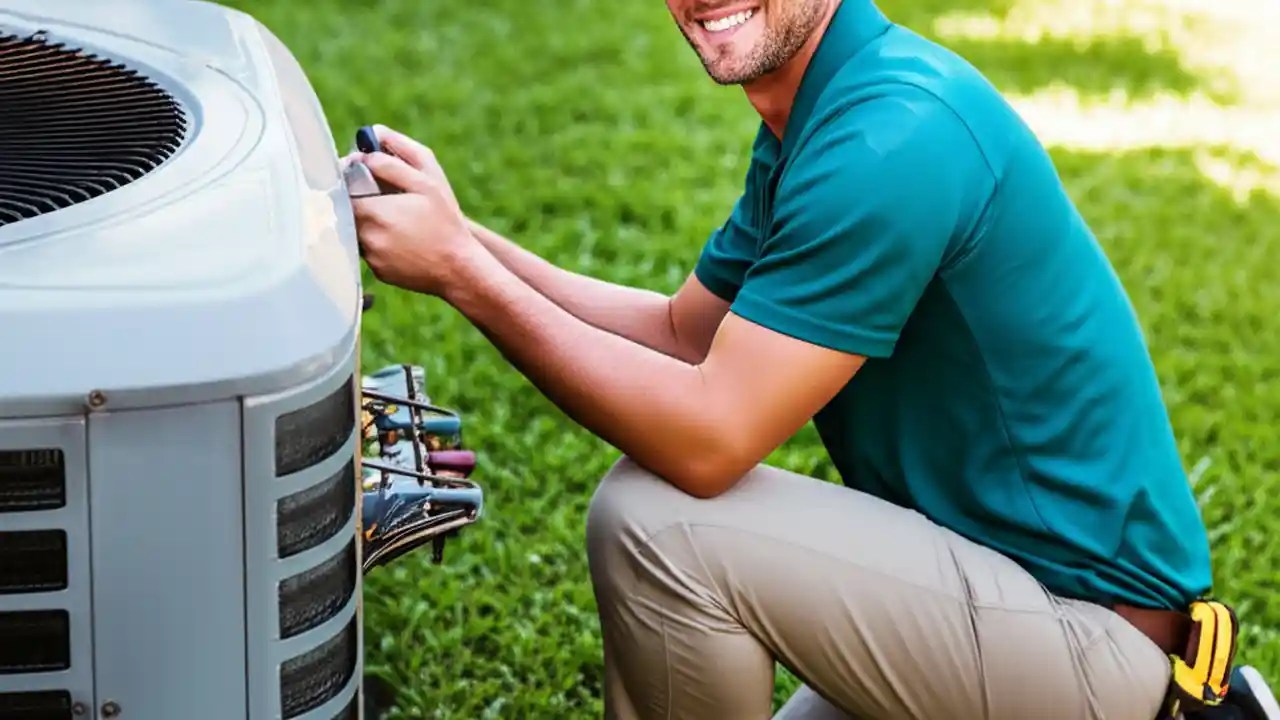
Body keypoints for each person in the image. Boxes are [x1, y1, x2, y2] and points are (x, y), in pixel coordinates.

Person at [347, 1, 1277, 718]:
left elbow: (709, 439)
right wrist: (463, 235)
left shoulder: (892, 135)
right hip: (998, 587)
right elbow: (685, 335)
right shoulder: (828, 105)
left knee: (655, 518)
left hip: (1093, 648)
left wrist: (464, 277)